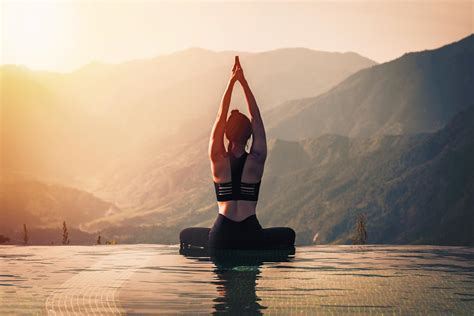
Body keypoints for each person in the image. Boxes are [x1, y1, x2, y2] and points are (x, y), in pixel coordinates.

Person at [180, 56, 295, 250]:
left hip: (222, 235)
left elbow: (220, 117)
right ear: (249, 132)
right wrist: (243, 82)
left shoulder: (217, 158)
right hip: (251, 234)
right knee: (288, 235)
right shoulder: (256, 158)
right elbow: (256, 118)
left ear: (226, 133)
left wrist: (231, 82)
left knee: (185, 235)